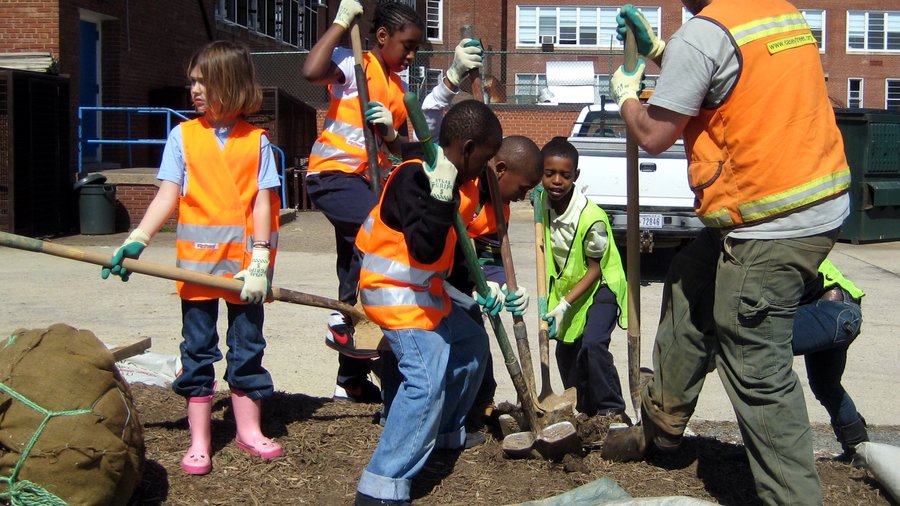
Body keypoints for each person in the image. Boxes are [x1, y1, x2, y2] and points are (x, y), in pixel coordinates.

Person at [601, 2, 852, 504]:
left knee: (757, 366)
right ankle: (662, 425)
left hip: (767, 224)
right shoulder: (775, 11)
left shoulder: (704, 34)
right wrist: (660, 54)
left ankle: (794, 499)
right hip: (812, 201)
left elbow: (653, 134)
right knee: (690, 282)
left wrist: (629, 99)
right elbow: (731, 82)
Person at [101, 41, 283, 475]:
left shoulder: (256, 142)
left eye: (203, 80)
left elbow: (263, 203)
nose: (194, 88)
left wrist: (260, 260)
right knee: (198, 349)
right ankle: (200, 439)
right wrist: (137, 239)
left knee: (247, 346)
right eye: (193, 81)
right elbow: (168, 193)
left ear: (230, 85)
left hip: (244, 271)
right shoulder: (182, 136)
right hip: (196, 267)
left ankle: (248, 430)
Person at [301, 0, 484, 404]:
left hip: (367, 181)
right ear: (381, 37)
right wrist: (339, 22)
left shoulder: (398, 90)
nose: (412, 55)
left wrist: (389, 134)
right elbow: (312, 70)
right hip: (333, 175)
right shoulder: (356, 68)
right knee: (374, 234)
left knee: (358, 255)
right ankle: (344, 316)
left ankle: (350, 374)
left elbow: (409, 141)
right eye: (408, 45)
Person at [353, 100, 502, 506]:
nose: (486, 168)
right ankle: (382, 483)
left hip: (426, 293)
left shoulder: (451, 182)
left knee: (472, 342)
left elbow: (452, 259)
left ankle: (444, 431)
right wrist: (439, 196)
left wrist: (490, 289)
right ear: (468, 147)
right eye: (486, 157)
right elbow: (422, 249)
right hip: (394, 293)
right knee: (426, 377)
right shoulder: (415, 177)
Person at [452, 135, 544, 430]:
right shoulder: (465, 187)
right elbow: (452, 245)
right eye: (523, 188)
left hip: (464, 279)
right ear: (501, 169)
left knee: (476, 338)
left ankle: (482, 403)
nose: (524, 197)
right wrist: (476, 279)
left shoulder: (500, 207)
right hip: (435, 276)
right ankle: (460, 411)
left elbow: (490, 252)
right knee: (467, 340)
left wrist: (502, 285)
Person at [536, 137, 629, 419]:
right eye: (549, 174)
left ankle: (613, 410)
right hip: (570, 287)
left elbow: (595, 268)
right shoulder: (542, 201)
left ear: (576, 176)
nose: (556, 181)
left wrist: (565, 304)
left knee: (593, 344)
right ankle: (584, 410)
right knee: (566, 352)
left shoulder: (592, 218)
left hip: (601, 285)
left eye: (565, 175)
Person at [794, 259, 868, 458]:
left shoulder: (769, 240)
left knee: (758, 352)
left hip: (831, 309)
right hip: (844, 310)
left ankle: (779, 451)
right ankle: (859, 450)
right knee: (825, 385)